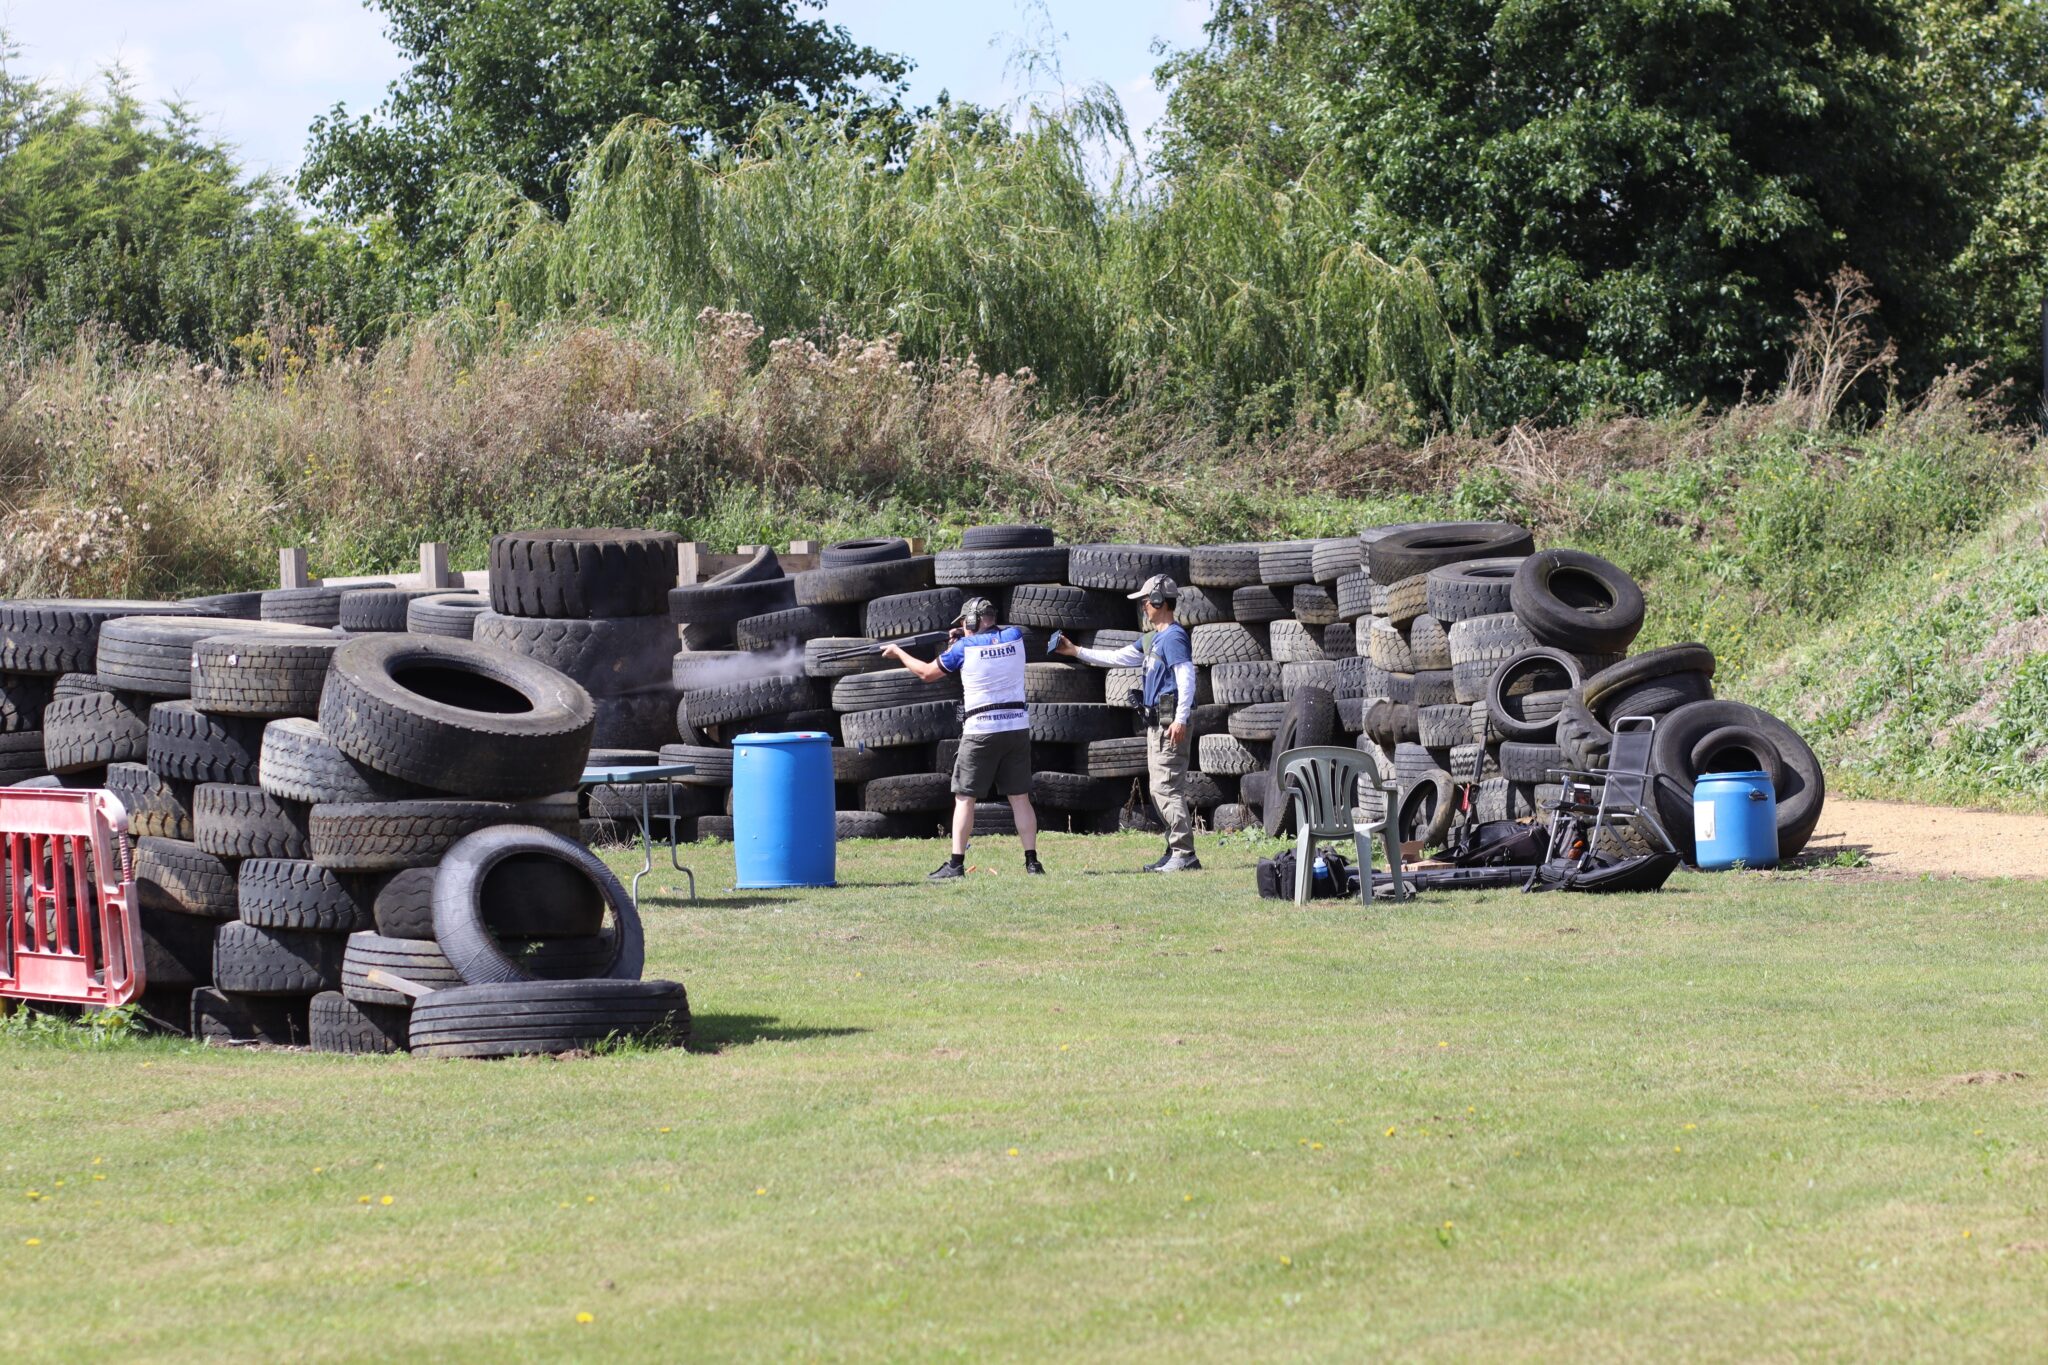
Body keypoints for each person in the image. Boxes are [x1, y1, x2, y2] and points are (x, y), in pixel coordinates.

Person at [881, 596, 1044, 881]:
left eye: (965, 624)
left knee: (965, 797)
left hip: (981, 730)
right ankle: (1032, 862)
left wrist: (899, 653)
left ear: (971, 621)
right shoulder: (1016, 637)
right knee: (1020, 798)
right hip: (1016, 727)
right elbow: (995, 637)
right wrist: (964, 637)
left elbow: (926, 673)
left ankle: (956, 865)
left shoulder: (964, 648)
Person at [1054, 574, 1201, 872]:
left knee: (1165, 788)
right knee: (1161, 787)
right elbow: (1117, 657)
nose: (1144, 606)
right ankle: (1174, 849)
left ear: (1159, 601)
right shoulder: (1152, 638)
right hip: (1157, 724)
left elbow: (1187, 677)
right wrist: (1076, 651)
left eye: (1147, 601)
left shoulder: (1173, 637)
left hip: (1169, 722)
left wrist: (1181, 718)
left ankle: (1184, 854)